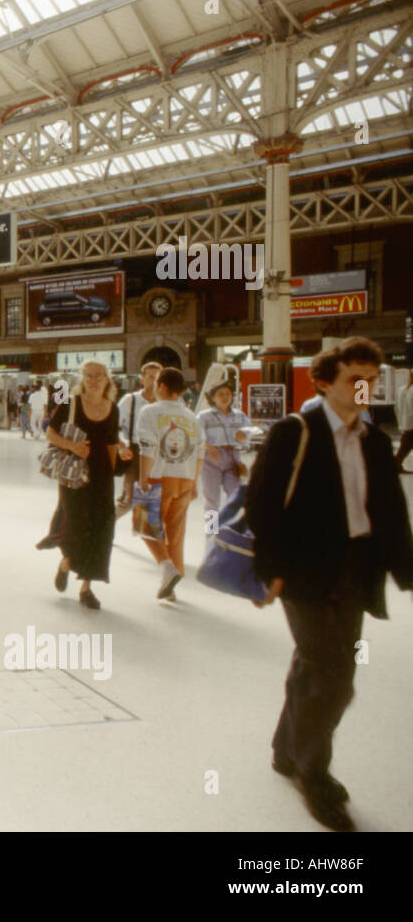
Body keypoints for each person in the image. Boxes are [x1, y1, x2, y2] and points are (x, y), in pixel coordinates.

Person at [246, 337, 413, 832]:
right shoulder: (294, 432)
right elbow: (261, 505)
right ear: (323, 381)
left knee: (318, 662)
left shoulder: (374, 440)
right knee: (334, 677)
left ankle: (286, 749)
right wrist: (271, 570)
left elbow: (390, 512)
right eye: (353, 381)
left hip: (356, 567)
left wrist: (406, 568)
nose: (365, 390)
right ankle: (313, 775)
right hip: (304, 571)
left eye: (371, 381)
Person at [45, 360, 121, 609]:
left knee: (102, 528)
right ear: (82, 378)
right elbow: (50, 433)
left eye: (99, 375)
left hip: (101, 475)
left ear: (107, 379)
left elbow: (111, 443)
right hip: (74, 472)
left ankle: (87, 587)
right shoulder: (70, 401)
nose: (94, 380)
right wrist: (72, 446)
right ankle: (67, 562)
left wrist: (116, 467)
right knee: (75, 522)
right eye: (89, 375)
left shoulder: (113, 408)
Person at [136, 367, 203, 601]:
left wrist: (143, 477)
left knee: (145, 527)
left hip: (158, 476)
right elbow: (200, 452)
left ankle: (167, 568)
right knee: (175, 534)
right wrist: (194, 482)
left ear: (162, 386)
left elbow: (148, 446)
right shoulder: (192, 416)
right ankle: (171, 585)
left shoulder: (149, 411)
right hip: (185, 479)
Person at [197, 380, 251, 526]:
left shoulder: (240, 416)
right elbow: (194, 436)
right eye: (220, 394)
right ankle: (212, 531)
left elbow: (250, 431)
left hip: (232, 458)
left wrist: (244, 436)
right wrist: (207, 446)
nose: (225, 397)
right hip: (211, 460)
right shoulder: (204, 416)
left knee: (235, 496)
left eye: (228, 394)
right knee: (211, 499)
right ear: (213, 398)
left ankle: (229, 528)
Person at [115, 361, 161, 519]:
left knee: (156, 499)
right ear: (142, 379)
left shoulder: (166, 402)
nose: (154, 381)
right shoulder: (130, 400)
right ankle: (102, 529)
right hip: (137, 452)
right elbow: (113, 426)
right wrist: (121, 446)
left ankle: (150, 535)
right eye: (150, 377)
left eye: (158, 377)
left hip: (160, 454)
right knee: (129, 499)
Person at [395, 374, 413, 474]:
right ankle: (395, 465)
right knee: (405, 446)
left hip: (405, 423)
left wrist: (400, 422)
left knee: (405, 446)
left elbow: (397, 408)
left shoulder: (401, 390)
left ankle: (396, 465)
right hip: (411, 424)